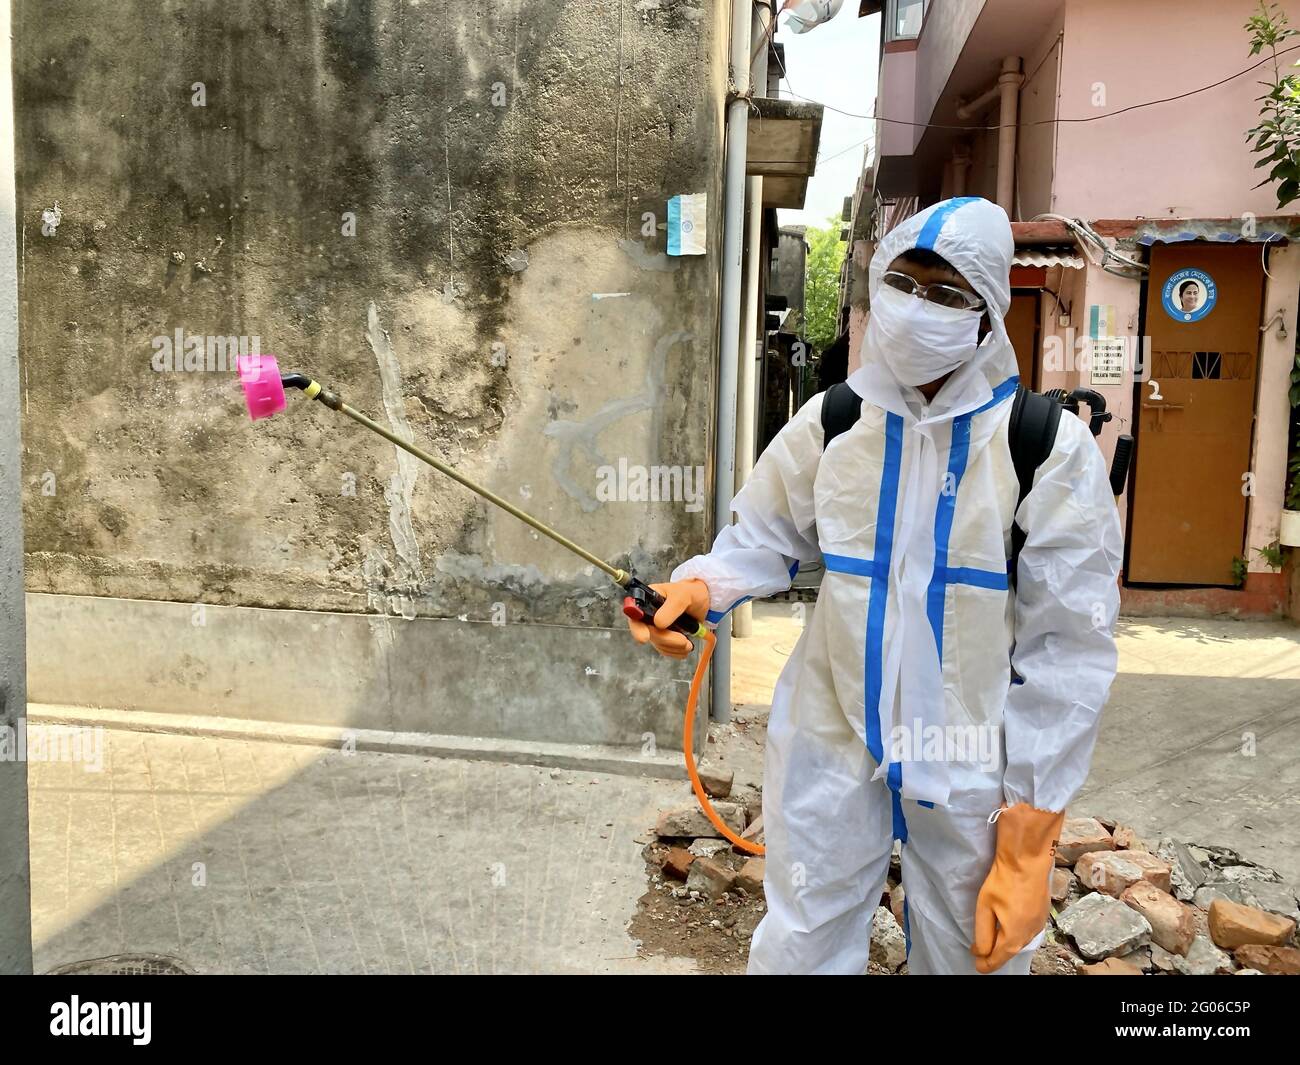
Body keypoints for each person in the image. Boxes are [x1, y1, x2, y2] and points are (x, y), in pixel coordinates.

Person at [626, 197, 1123, 974]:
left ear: (989, 315)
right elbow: (764, 535)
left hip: (972, 764)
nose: (919, 308)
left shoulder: (1044, 449)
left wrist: (1029, 836)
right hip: (831, 743)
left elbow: (1070, 650)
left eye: (949, 293)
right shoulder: (834, 421)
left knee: (975, 959)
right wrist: (699, 586)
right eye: (904, 282)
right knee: (802, 945)